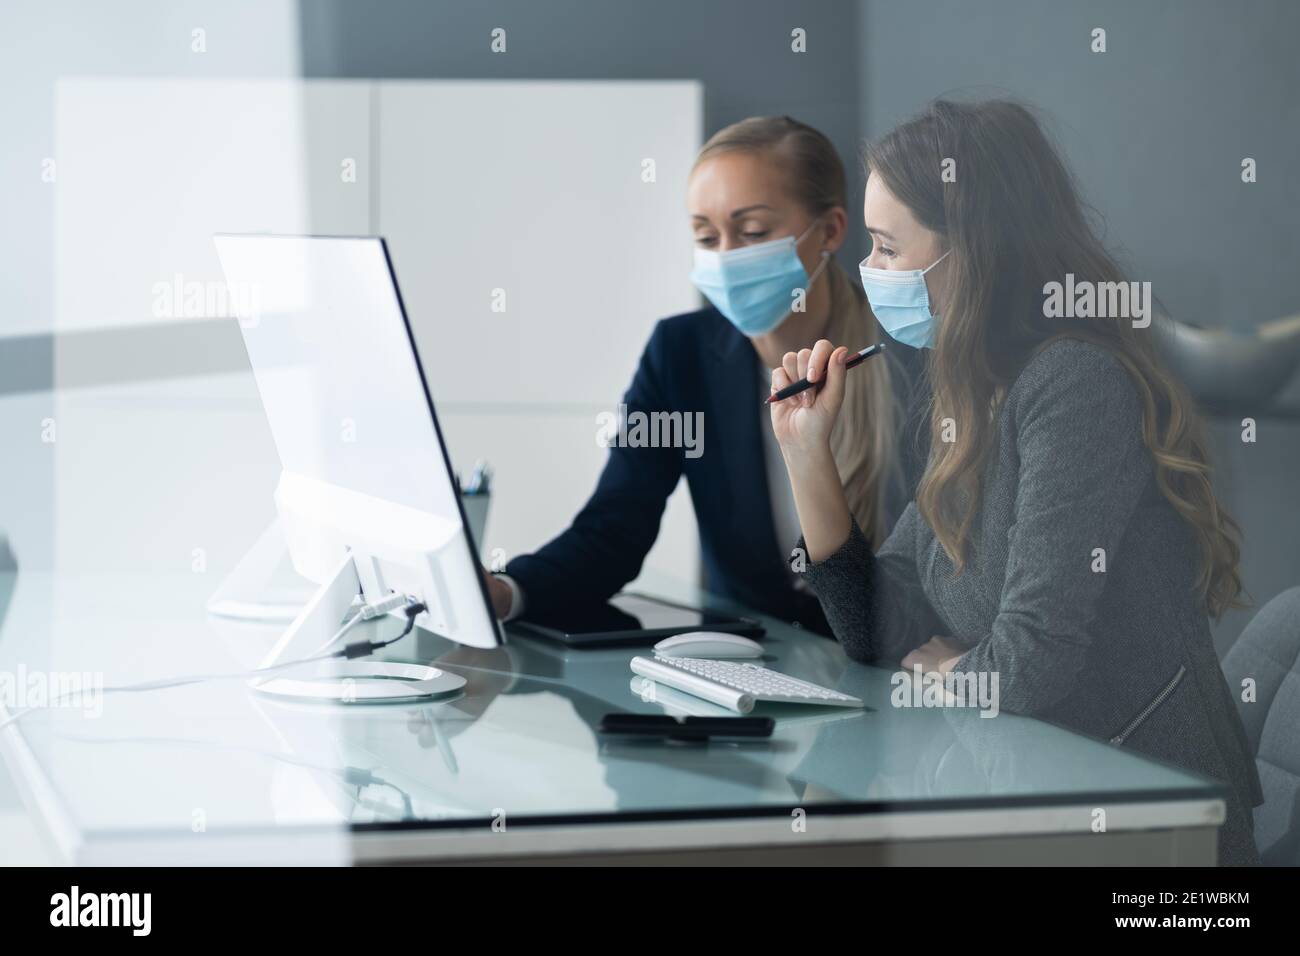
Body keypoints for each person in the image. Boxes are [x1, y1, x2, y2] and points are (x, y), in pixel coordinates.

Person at [771, 99, 1264, 864]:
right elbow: (876, 628)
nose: (870, 273)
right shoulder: (972, 387)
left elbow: (1030, 662)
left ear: (974, 250)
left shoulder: (1075, 383)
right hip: (1034, 794)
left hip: (1150, 822)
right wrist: (808, 454)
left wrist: (955, 670)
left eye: (888, 247)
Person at [485, 116, 925, 633]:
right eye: (705, 235)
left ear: (829, 230)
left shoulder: (908, 350)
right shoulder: (680, 355)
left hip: (891, 662)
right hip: (746, 666)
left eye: (753, 232)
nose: (725, 258)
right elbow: (613, 530)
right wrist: (504, 590)